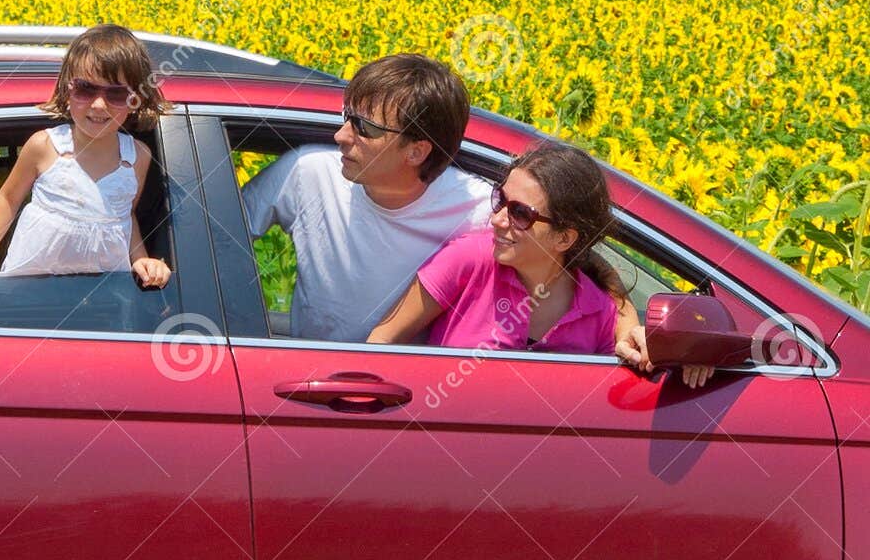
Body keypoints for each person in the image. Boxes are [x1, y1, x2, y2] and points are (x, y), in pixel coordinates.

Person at [368, 141, 713, 388]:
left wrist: (688, 355)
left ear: (564, 238)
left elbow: (637, 384)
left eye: (520, 213)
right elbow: (380, 343)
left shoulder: (600, 313)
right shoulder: (469, 260)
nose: (498, 219)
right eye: (500, 200)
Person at [241, 54, 493, 343]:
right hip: (307, 377)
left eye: (365, 128)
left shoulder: (479, 210)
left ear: (416, 152)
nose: (340, 136)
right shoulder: (307, 172)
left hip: (406, 384)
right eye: (347, 117)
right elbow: (211, 230)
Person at [0, 23, 171, 294]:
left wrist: (141, 259)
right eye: (85, 89)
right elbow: (8, 199)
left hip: (104, 299)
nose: (99, 105)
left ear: (137, 98)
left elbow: (124, 214)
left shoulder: (137, 157)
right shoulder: (45, 145)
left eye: (117, 93)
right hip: (29, 294)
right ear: (66, 90)